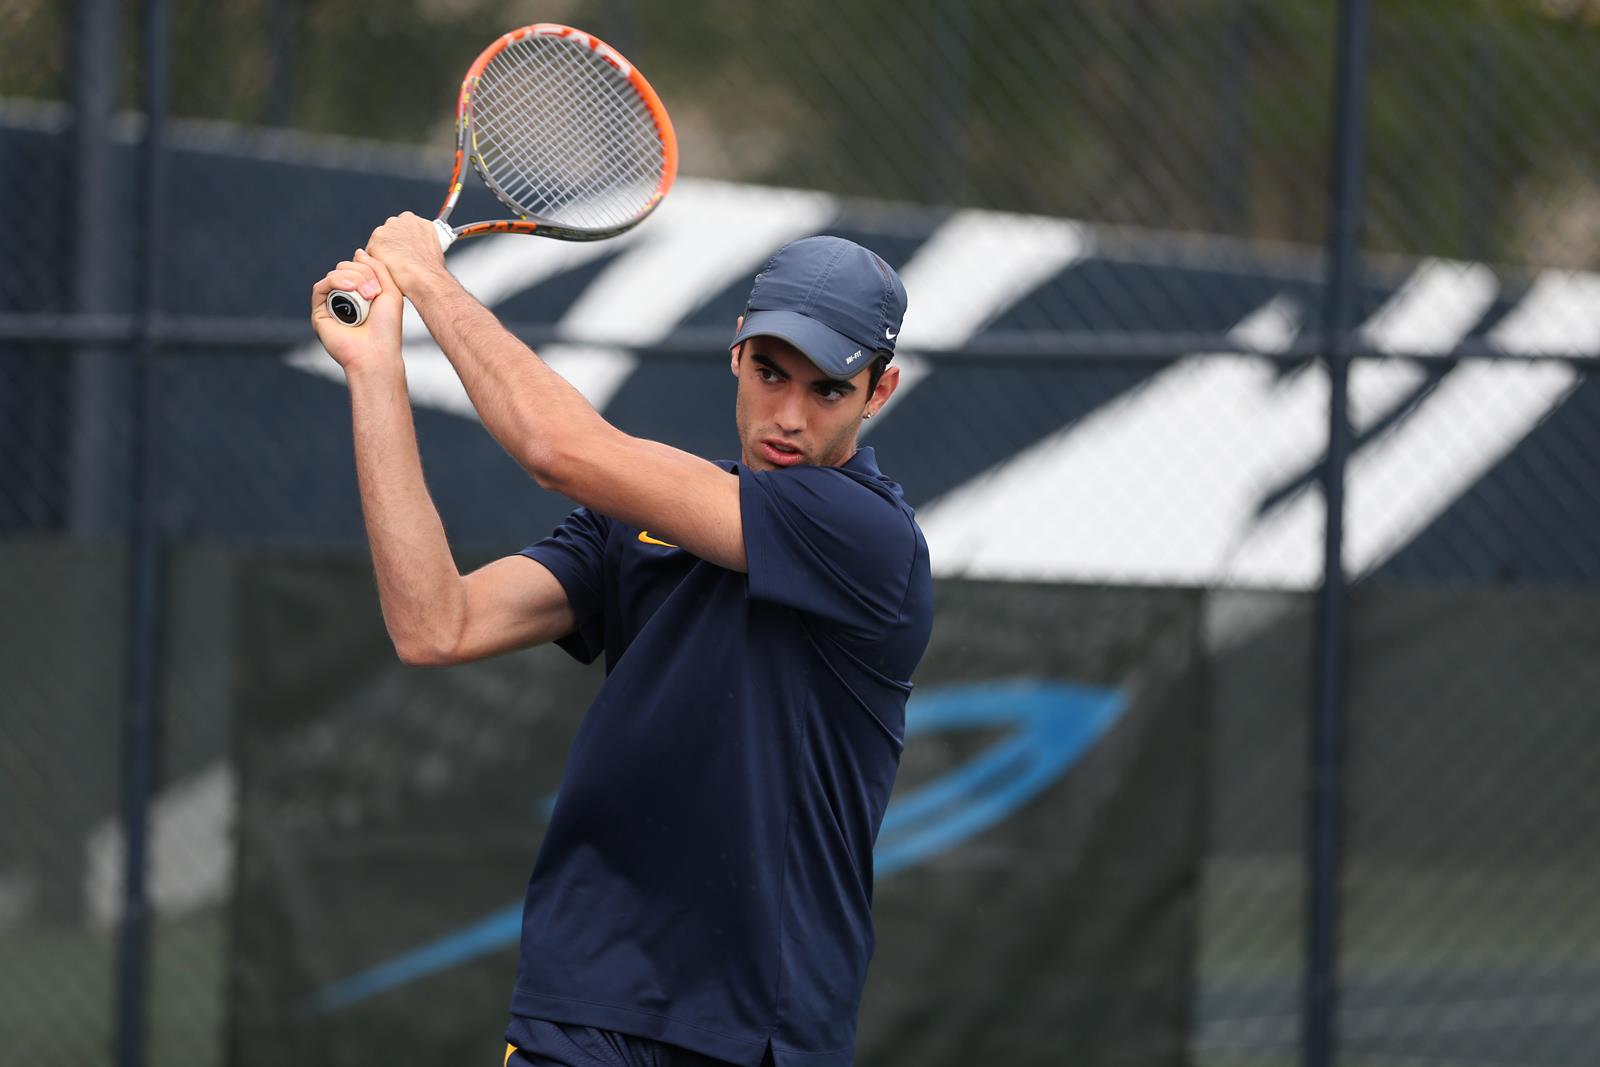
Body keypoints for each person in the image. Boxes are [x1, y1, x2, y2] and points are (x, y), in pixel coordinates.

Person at [310, 219, 934, 1067]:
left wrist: (429, 282)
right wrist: (376, 372)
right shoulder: (634, 525)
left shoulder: (871, 538)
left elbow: (557, 448)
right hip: (585, 1005)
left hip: (759, 1033)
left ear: (880, 390)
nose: (788, 415)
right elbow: (435, 624)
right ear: (737, 353)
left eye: (827, 389)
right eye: (771, 372)